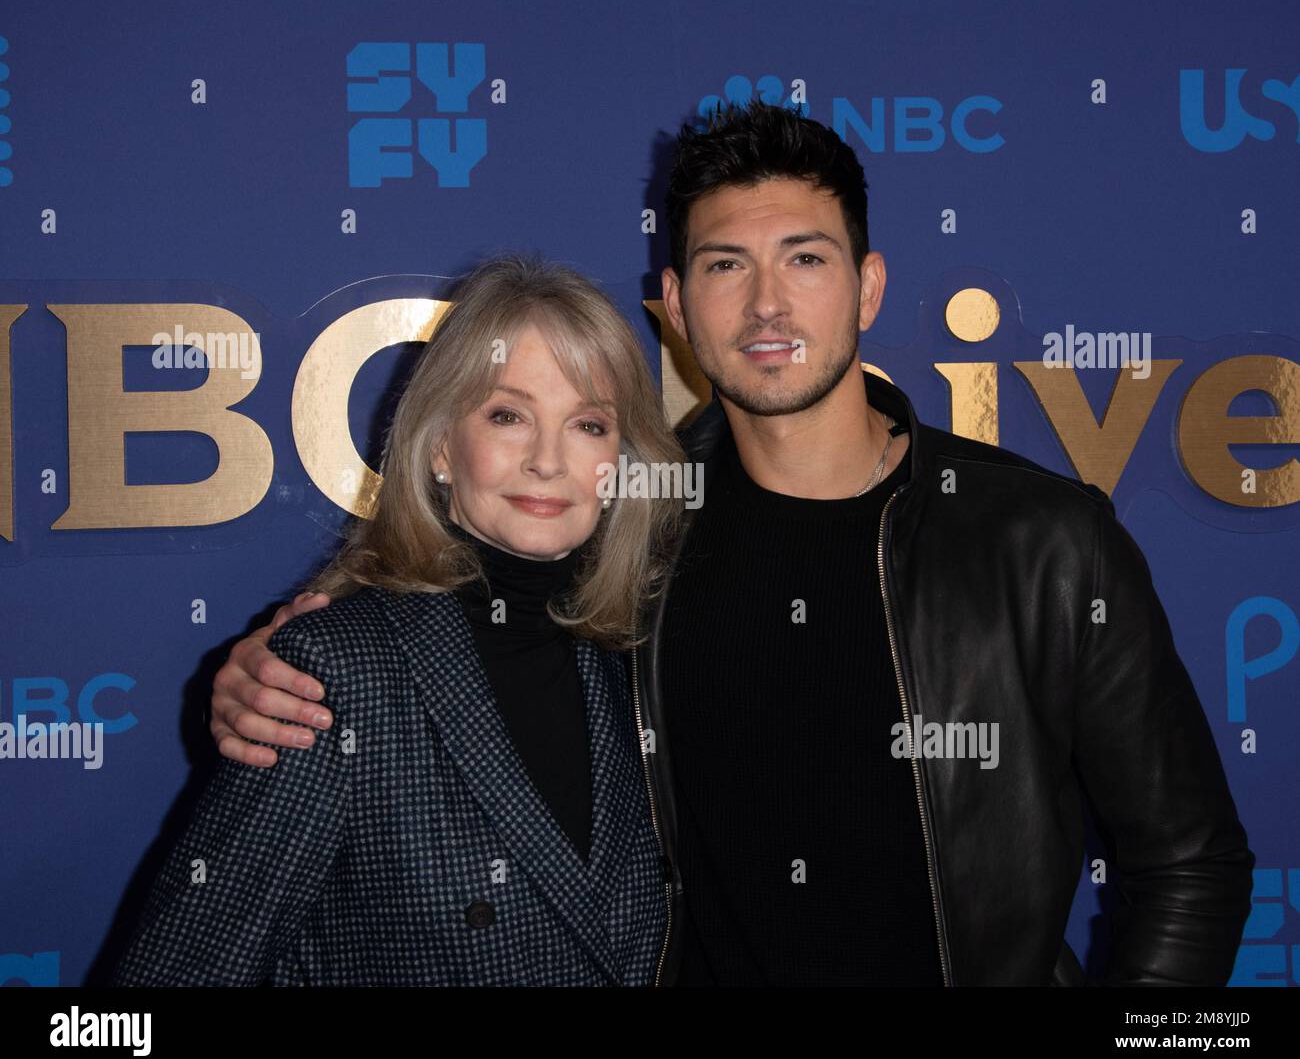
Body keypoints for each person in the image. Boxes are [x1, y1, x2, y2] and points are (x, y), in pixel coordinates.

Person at [207, 101, 1255, 986]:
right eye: (723, 265)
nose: (766, 302)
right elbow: (438, 595)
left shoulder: (1041, 538)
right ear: (673, 307)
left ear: (868, 285)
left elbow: (1188, 861)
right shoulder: (628, 523)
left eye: (805, 258)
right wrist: (271, 657)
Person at [113, 254, 683, 986]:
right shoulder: (331, 675)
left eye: (588, 424)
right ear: (443, 446)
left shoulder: (640, 660)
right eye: (508, 416)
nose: (548, 460)